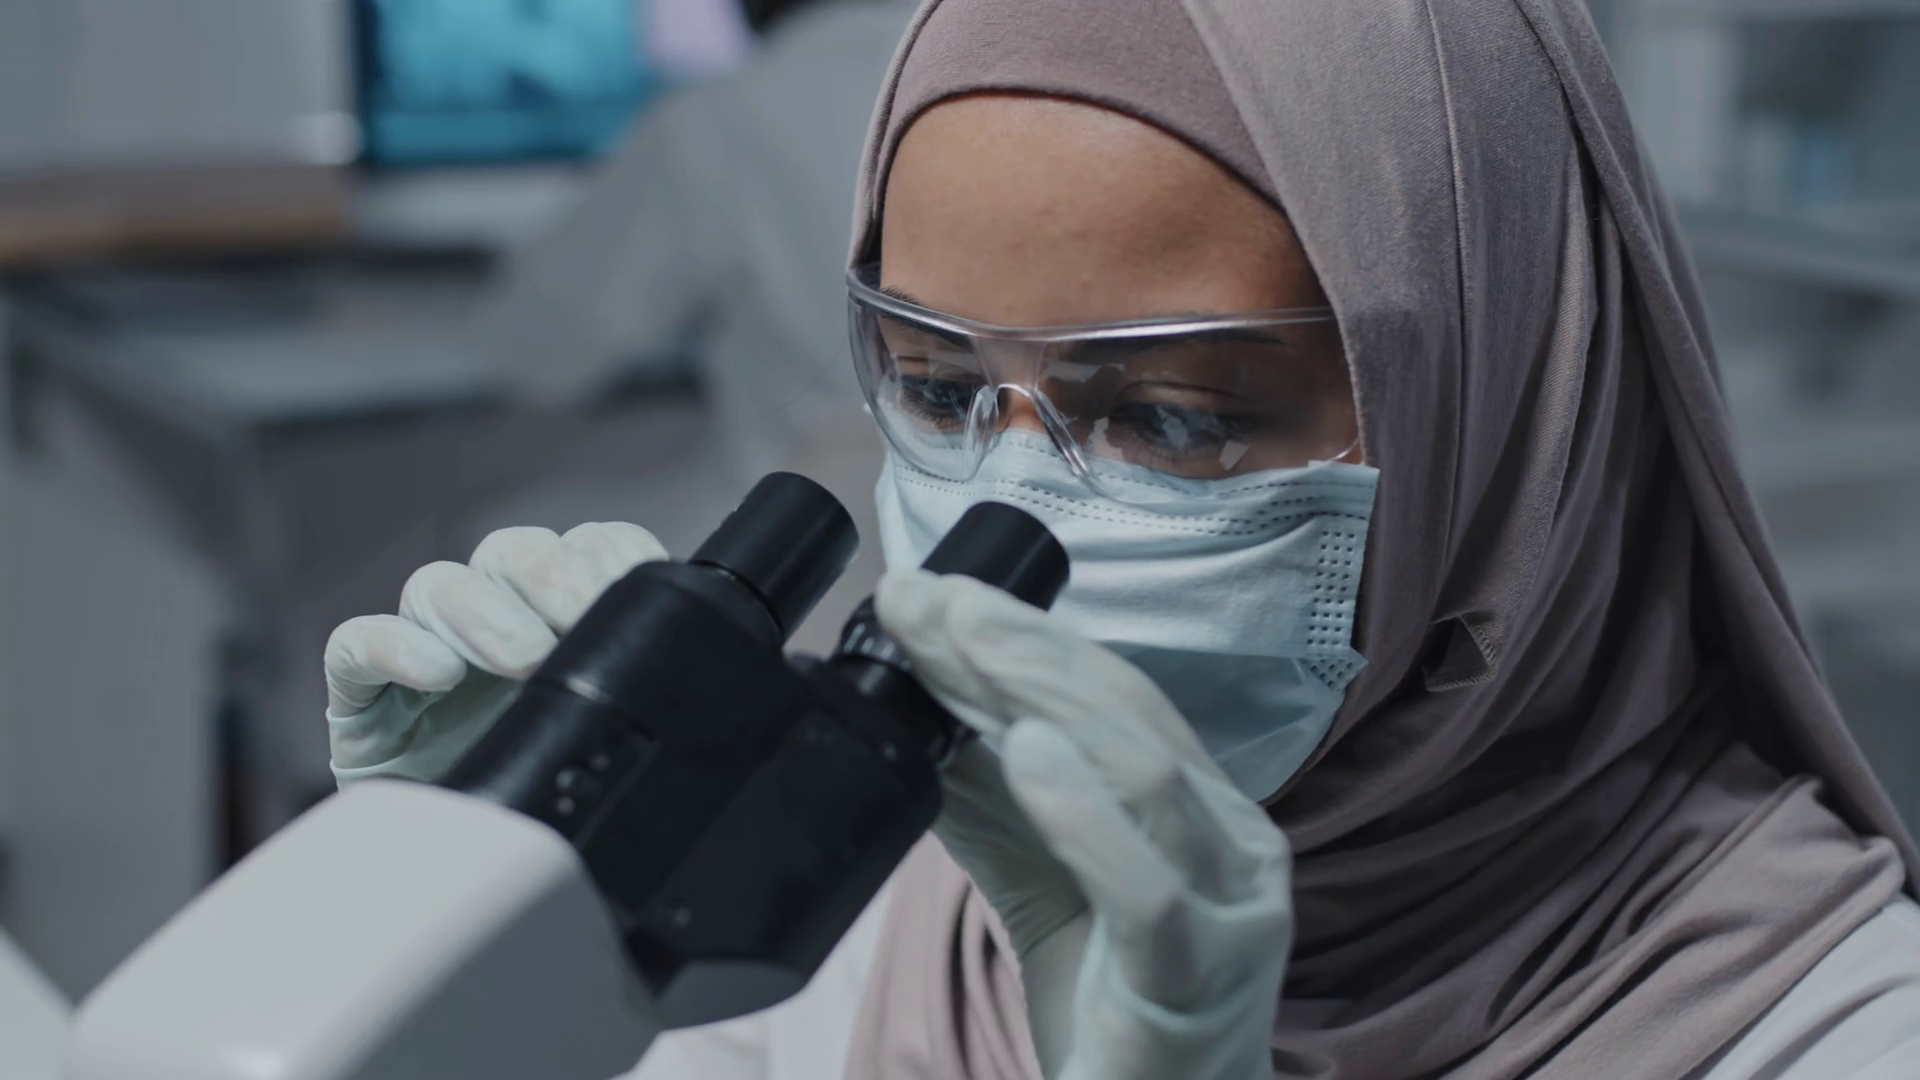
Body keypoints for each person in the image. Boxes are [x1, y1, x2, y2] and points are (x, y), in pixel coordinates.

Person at [325, 1, 1920, 1077]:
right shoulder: (887, 903)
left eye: (1174, 415)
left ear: (1505, 427)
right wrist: (461, 959)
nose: (1004, 522)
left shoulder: (1828, 1034)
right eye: (939, 391)